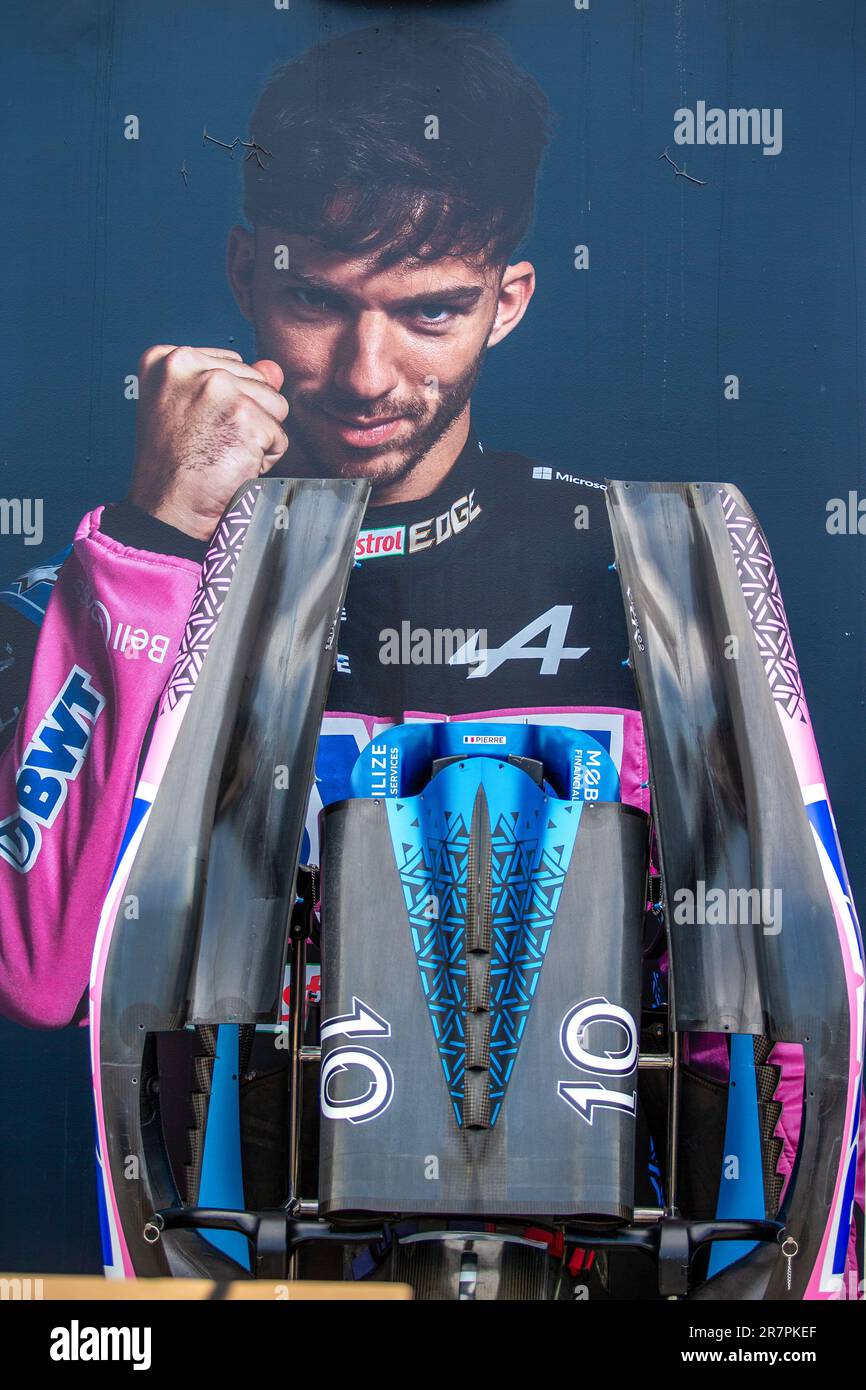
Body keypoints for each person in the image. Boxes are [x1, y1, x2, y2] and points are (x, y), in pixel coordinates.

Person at [0, 19, 837, 1294]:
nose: (365, 373)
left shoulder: (653, 566)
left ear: (508, 299)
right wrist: (156, 542)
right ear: (245, 273)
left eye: (430, 311)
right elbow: (44, 974)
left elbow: (789, 1029)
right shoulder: (112, 580)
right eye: (316, 302)